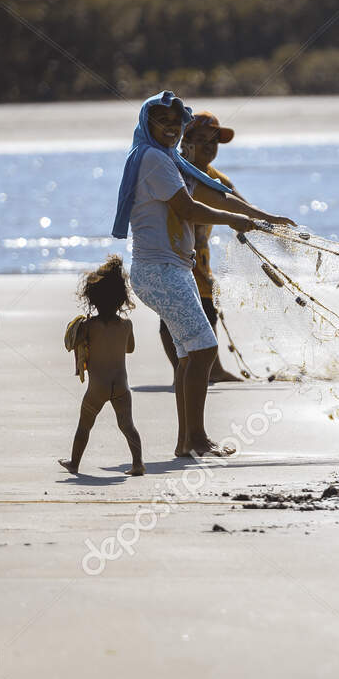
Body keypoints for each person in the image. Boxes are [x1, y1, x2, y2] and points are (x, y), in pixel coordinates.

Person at [112, 90, 258, 459]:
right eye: (163, 123)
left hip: (171, 268)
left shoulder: (170, 160)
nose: (171, 129)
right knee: (204, 349)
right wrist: (235, 220)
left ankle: (187, 441)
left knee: (189, 355)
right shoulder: (154, 159)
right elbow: (188, 208)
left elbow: (215, 195)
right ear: (148, 123)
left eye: (176, 124)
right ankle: (195, 438)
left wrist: (264, 219)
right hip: (159, 270)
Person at [158, 111, 292, 386]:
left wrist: (271, 225)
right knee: (172, 315)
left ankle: (213, 369)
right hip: (171, 257)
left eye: (214, 142)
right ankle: (180, 372)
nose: (210, 147)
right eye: (202, 140)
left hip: (199, 260)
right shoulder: (175, 172)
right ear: (186, 141)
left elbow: (239, 205)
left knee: (207, 310)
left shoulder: (217, 179)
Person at [59, 255, 144, 477]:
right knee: (128, 427)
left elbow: (75, 344)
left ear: (92, 298)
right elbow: (130, 349)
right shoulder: (126, 325)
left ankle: (74, 463)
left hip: (98, 388)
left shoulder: (88, 326)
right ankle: (138, 464)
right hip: (121, 387)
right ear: (121, 299)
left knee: (84, 426)